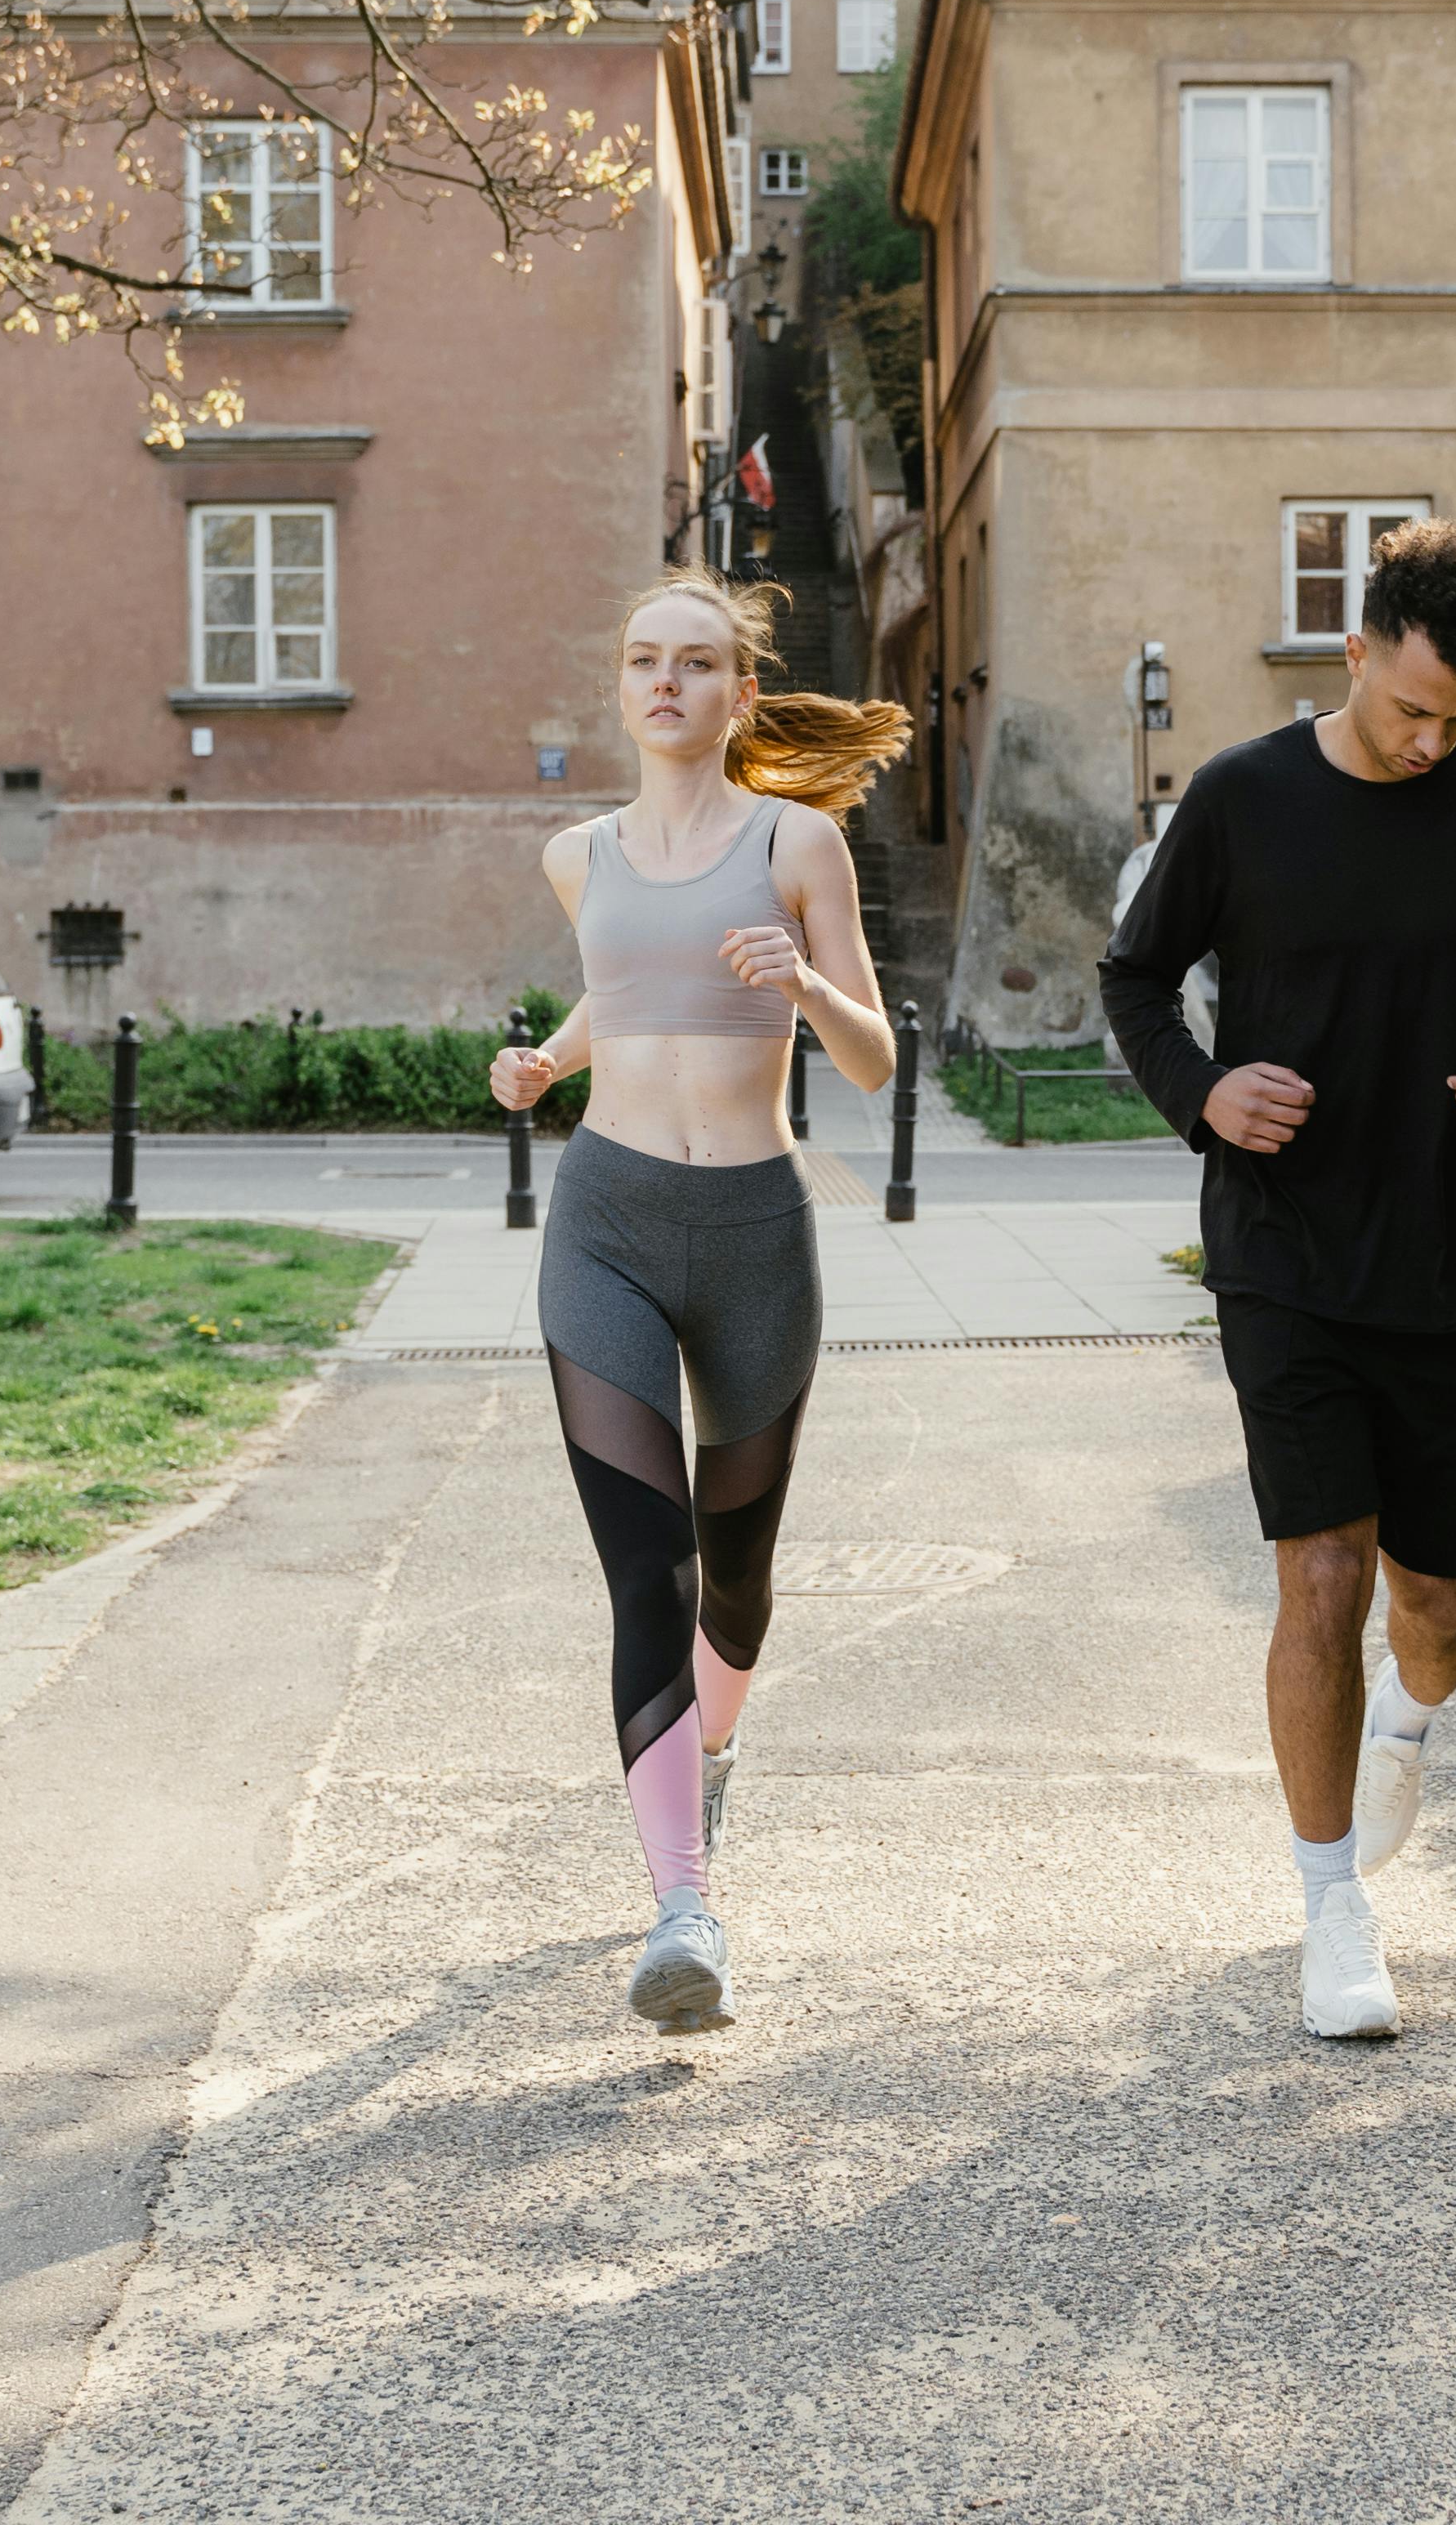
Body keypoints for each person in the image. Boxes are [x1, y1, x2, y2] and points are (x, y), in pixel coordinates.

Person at [1098, 521, 1456, 2039]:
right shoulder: (1244, 798)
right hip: (1288, 1248)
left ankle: (1405, 1721)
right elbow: (1138, 979)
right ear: (1355, 653)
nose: (1429, 741)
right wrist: (1201, 1092)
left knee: (1445, 1604)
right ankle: (1332, 1906)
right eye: (1408, 710)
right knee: (1322, 1574)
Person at [493, 579, 906, 2031]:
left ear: (740, 693)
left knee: (736, 1577)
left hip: (752, 1234)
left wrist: (803, 982)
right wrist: (551, 1060)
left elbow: (871, 1065)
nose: (666, 683)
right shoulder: (576, 853)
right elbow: (629, 985)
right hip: (602, 1223)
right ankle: (683, 1911)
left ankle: (708, 1762)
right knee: (647, 1573)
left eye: (697, 663)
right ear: (621, 688)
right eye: (643, 662)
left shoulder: (800, 841)